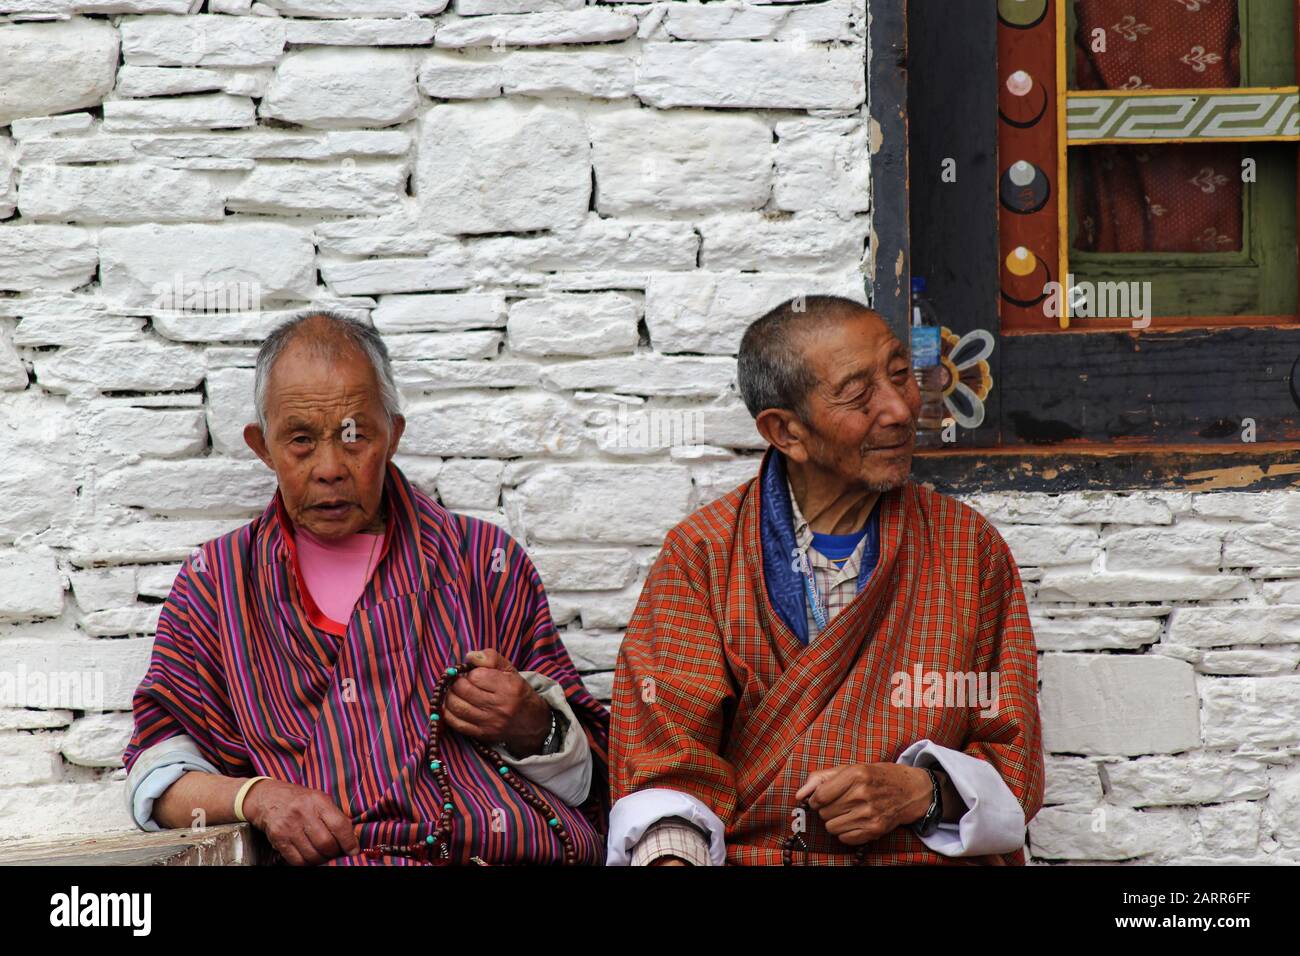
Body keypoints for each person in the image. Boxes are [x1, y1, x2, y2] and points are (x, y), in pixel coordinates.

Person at [123, 311, 607, 865]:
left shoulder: (483, 563)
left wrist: (530, 723)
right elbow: (159, 777)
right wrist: (258, 797)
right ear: (263, 446)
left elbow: (589, 776)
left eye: (355, 437)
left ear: (392, 435)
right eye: (301, 441)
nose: (330, 467)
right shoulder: (220, 581)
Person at [606, 295, 1044, 866]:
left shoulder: (968, 549)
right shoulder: (704, 554)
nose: (900, 410)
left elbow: (1017, 763)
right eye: (859, 395)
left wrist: (924, 790)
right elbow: (665, 764)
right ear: (785, 430)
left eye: (900, 376)